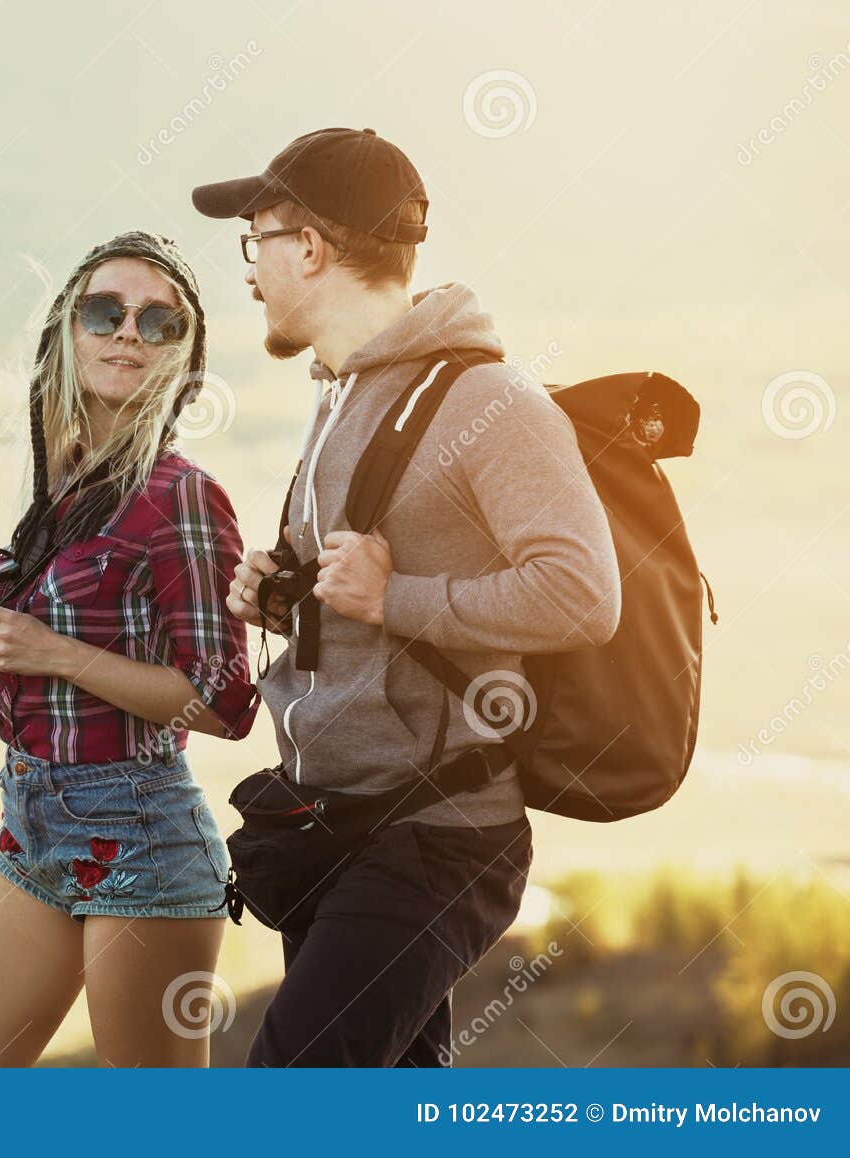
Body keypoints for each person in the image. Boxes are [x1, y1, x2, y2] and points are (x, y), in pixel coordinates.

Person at [191, 128, 620, 1066]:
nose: (250, 270)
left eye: (253, 240)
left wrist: (398, 598)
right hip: (334, 827)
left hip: (435, 840)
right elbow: (364, 571)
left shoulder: (486, 401)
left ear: (309, 246)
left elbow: (584, 594)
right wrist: (285, 595)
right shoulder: (342, 391)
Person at [0, 231, 259, 1067]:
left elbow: (225, 704)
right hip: (32, 828)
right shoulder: (64, 482)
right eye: (105, 312)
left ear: (185, 355)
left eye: (159, 323)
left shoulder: (182, 497)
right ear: (67, 333)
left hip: (142, 837)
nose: (127, 335)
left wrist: (52, 651)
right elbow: (59, 694)